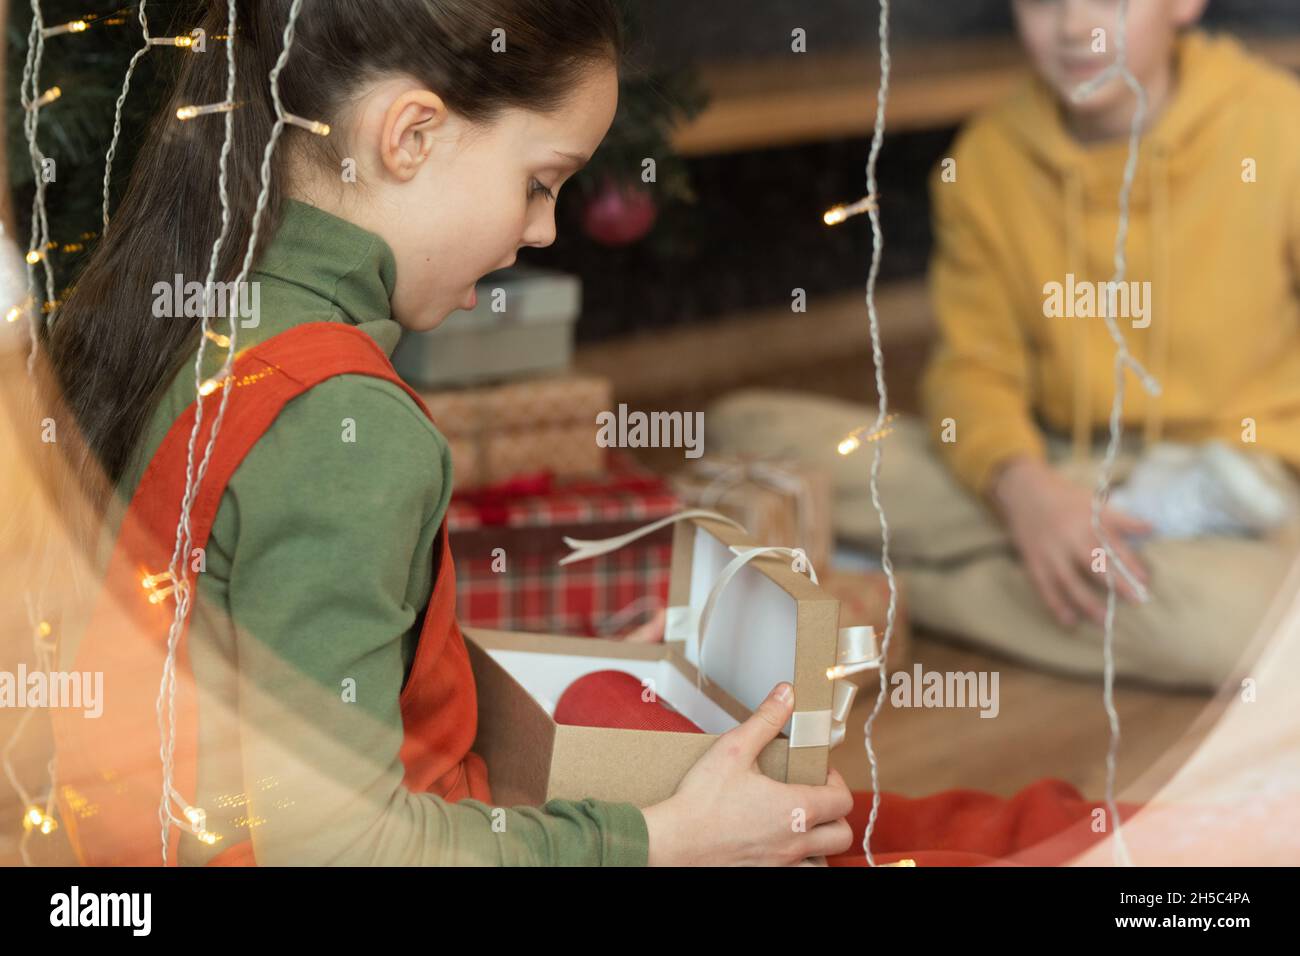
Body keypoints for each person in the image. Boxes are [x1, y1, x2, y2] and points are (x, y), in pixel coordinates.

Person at [39, 0, 853, 866]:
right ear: (412, 135)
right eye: (541, 183)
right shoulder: (339, 424)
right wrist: (665, 842)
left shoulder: (183, 311)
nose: (542, 229)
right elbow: (339, 850)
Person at [708, 0, 1300, 688]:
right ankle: (1101, 537)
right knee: (744, 433)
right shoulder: (985, 158)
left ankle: (889, 584)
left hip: (1255, 485)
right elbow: (973, 369)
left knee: (1247, 630)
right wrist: (1027, 494)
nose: (1074, 27)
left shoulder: (1281, 128)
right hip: (1052, 462)